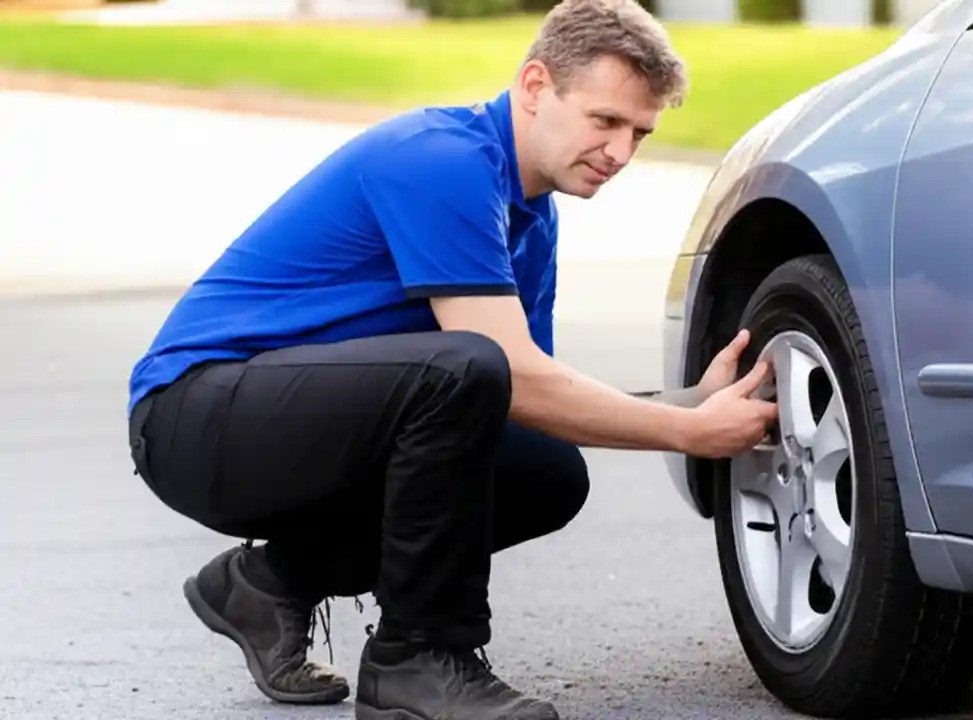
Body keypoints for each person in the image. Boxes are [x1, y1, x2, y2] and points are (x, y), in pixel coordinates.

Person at [124, 0, 777, 718]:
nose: (622, 153)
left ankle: (270, 582)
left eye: (640, 133)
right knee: (463, 370)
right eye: (605, 121)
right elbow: (503, 372)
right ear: (534, 87)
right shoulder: (443, 160)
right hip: (196, 416)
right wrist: (687, 433)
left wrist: (688, 403)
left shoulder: (530, 216)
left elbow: (526, 400)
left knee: (545, 472)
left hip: (294, 424)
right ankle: (419, 656)